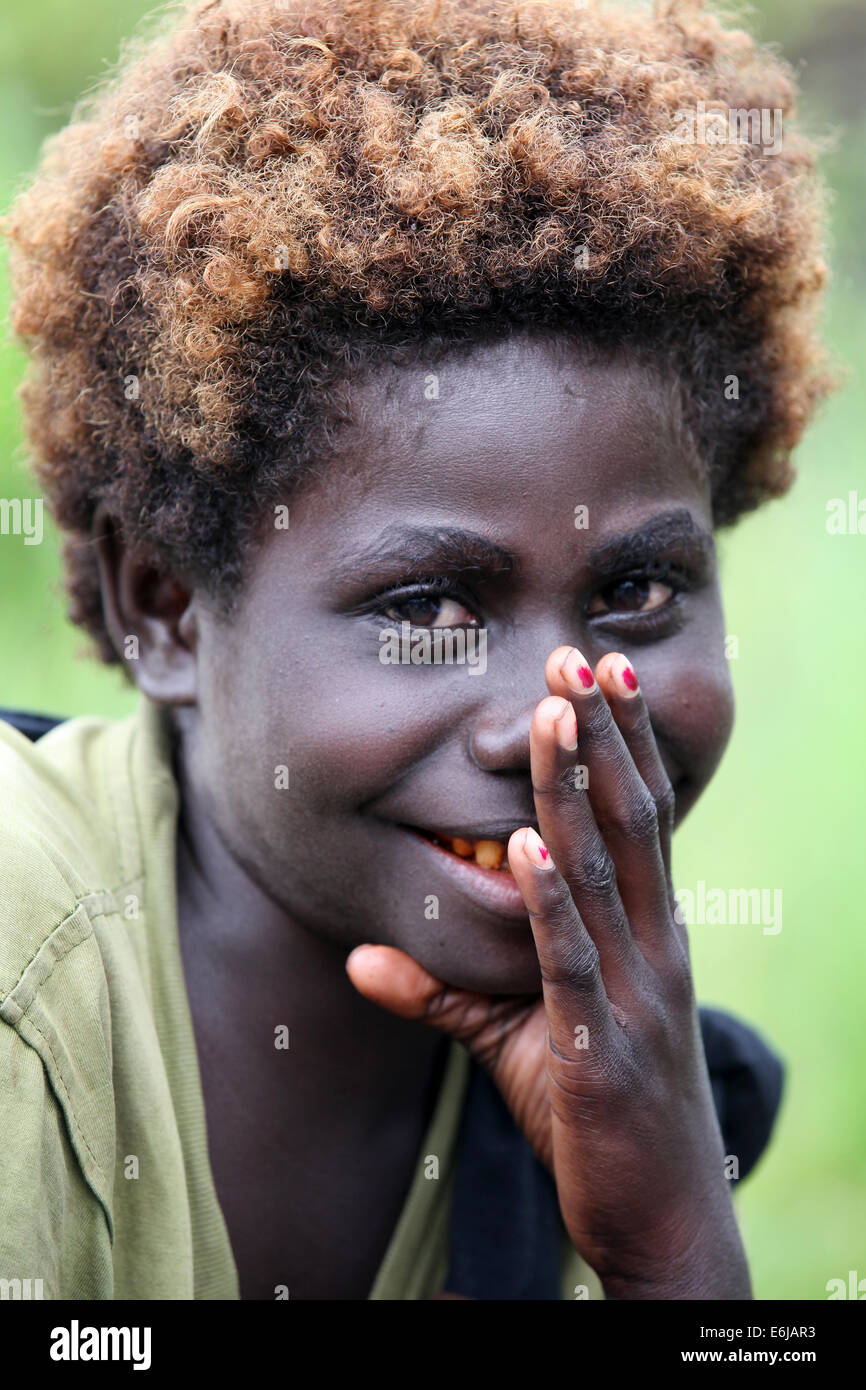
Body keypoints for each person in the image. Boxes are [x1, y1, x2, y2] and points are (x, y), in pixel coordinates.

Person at [0, 0, 832, 1299]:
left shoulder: (610, 1092)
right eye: (432, 610)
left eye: (635, 590)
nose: (549, 717)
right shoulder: (20, 963)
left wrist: (671, 1246)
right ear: (164, 604)